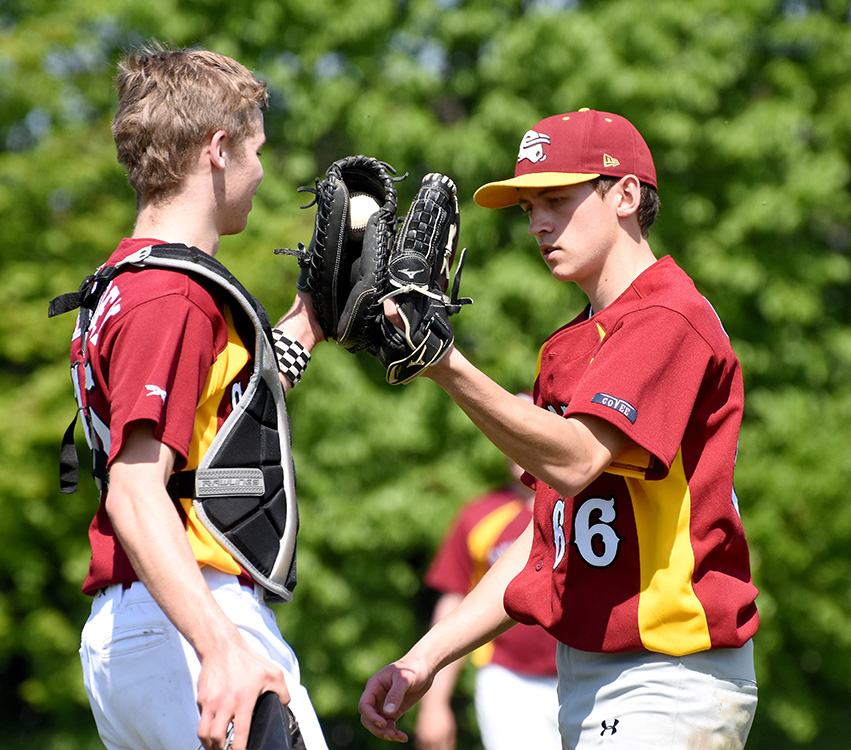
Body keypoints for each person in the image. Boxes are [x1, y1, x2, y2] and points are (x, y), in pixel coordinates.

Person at [359, 109, 759, 748]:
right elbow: (543, 540)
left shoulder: (668, 317)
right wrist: (424, 659)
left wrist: (444, 364)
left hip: (670, 672)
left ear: (626, 195)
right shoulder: (569, 348)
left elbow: (576, 460)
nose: (539, 223)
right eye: (528, 208)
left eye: (559, 200)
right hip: (587, 676)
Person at [53, 44, 328, 750]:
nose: (262, 170)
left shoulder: (127, 280)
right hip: (190, 617)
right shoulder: (171, 296)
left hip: (145, 626)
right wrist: (220, 648)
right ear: (217, 149)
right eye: (255, 149)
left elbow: (223, 424)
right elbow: (136, 490)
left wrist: (310, 321)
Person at [415, 456, 560, 750]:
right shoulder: (479, 516)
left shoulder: (589, 509)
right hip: (508, 681)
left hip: (584, 670)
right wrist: (435, 702)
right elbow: (454, 604)